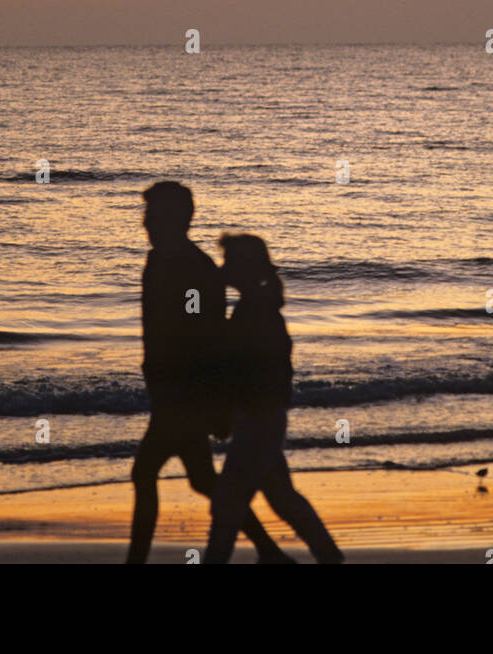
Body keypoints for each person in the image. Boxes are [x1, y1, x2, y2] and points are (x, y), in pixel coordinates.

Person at [127, 181, 291, 563]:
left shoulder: (191, 269)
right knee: (203, 479)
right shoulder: (162, 261)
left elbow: (202, 331)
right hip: (171, 389)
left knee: (145, 471)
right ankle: (270, 551)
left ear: (173, 220)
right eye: (146, 214)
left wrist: (210, 399)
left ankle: (135, 561)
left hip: (183, 393)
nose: (144, 223)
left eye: (151, 215)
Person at [204, 233, 343, 564]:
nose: (224, 269)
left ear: (246, 268)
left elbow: (259, 371)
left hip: (258, 418)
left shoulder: (256, 312)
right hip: (262, 418)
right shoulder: (257, 307)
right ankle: (328, 556)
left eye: (230, 263)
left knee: (227, 502)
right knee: (281, 498)